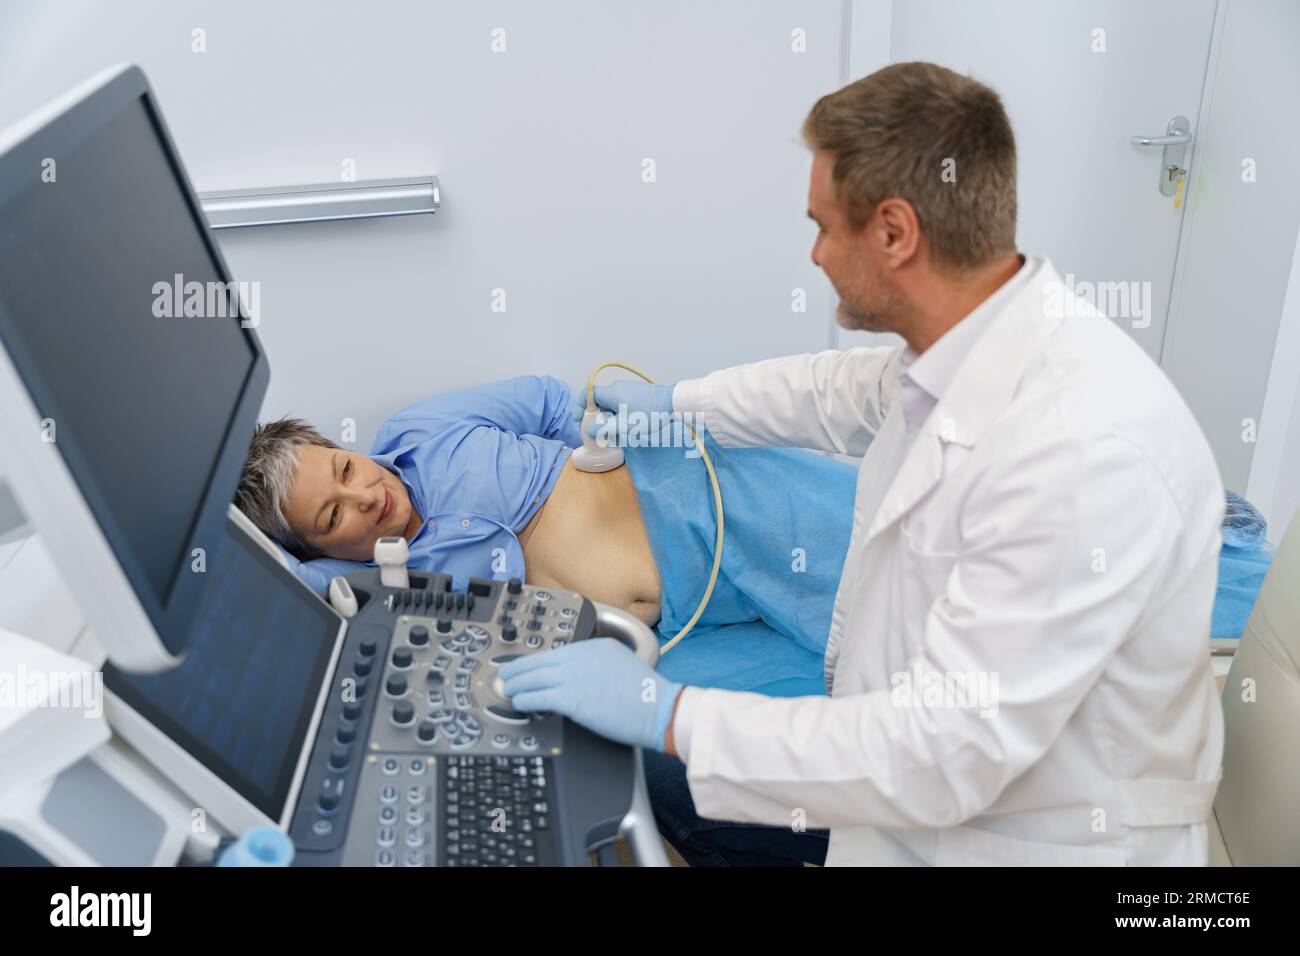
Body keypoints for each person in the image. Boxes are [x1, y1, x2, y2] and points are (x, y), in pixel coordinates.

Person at [498, 61, 1226, 866]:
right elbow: (830, 391)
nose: (812, 254)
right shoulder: (984, 331)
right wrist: (678, 405)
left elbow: (941, 754)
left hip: (1019, 835)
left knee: (662, 766)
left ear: (893, 233)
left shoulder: (1079, 460)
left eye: (821, 226)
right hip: (909, 793)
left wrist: (673, 714)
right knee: (654, 782)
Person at [234, 375, 858, 650]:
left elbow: (547, 400)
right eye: (332, 518)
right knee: (849, 663)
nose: (365, 495)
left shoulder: (420, 430)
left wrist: (599, 432)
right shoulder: (374, 587)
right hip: (684, 619)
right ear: (318, 552)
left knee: (883, 573)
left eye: (346, 468)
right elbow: (275, 581)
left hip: (699, 496)